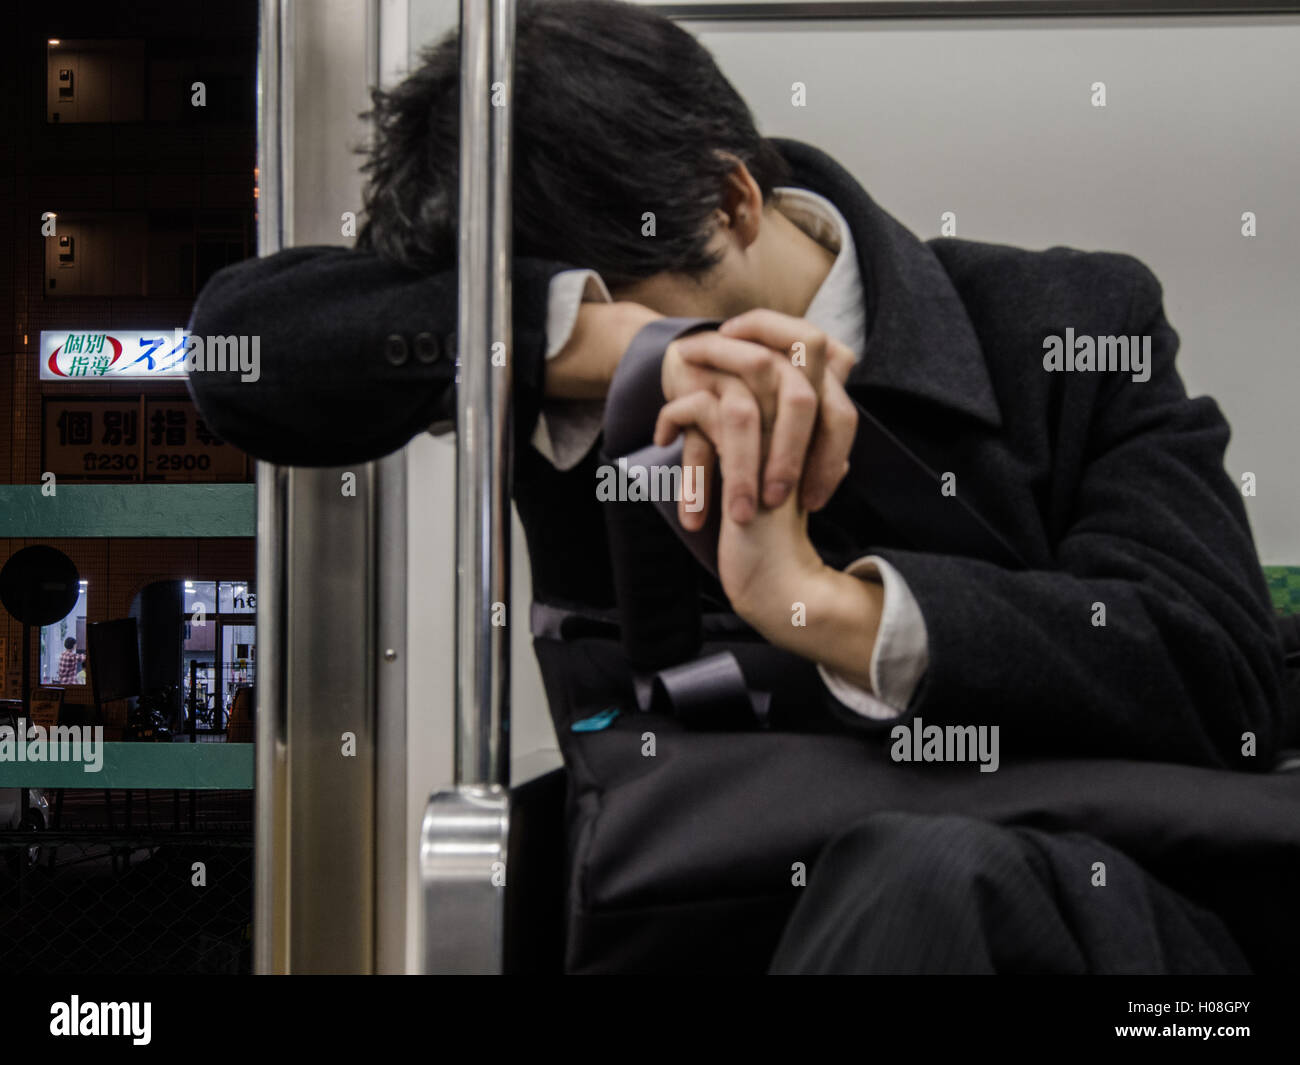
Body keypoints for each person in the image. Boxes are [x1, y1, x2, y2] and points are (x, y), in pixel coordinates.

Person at [184, 0, 1297, 972]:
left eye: (622, 296)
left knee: (923, 883)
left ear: (730, 201)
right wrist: (587, 341)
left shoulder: (1068, 322)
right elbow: (246, 352)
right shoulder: (568, 380)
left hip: (1066, 893)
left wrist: (824, 605)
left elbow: (1214, 671)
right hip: (705, 898)